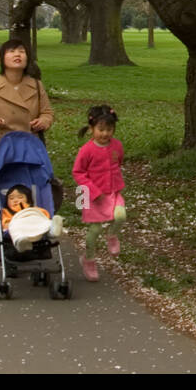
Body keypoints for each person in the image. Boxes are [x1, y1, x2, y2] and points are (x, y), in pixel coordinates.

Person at [0, 39, 54, 177]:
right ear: (2, 59)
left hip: (30, 153)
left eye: (22, 51)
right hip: (0, 153)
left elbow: (47, 113)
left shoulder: (37, 86)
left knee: (31, 196)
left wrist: (44, 121)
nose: (18, 55)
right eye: (11, 51)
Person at [71, 105, 126, 282]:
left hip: (113, 191)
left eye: (109, 130)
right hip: (92, 195)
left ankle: (112, 234)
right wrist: (93, 190)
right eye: (101, 129)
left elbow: (119, 162)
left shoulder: (117, 145)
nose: (105, 134)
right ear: (91, 129)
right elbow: (78, 172)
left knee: (120, 215)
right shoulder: (86, 150)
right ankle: (89, 259)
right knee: (94, 230)